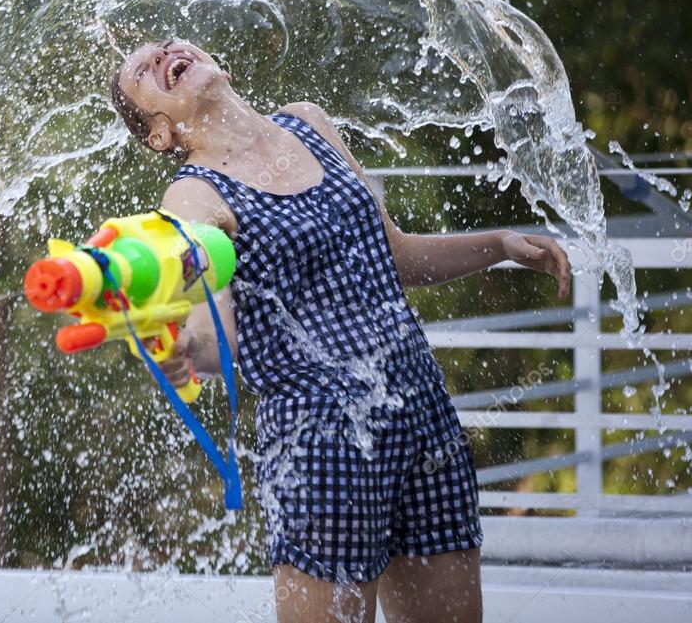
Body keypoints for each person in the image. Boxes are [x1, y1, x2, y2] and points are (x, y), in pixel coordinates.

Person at [107, 38, 571, 623]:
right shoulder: (192, 194)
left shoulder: (307, 125)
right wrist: (189, 349)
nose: (160, 54)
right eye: (141, 72)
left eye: (164, 45)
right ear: (159, 135)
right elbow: (210, 315)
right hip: (323, 442)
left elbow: (395, 254)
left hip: (420, 414)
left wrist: (500, 245)